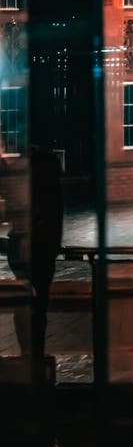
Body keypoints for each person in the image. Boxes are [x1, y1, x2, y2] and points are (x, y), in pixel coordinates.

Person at [7, 144, 64, 370]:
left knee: (24, 302)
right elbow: (54, 212)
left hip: (25, 243)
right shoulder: (48, 167)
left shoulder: (22, 168)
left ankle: (28, 354)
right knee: (39, 305)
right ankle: (35, 354)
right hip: (43, 245)